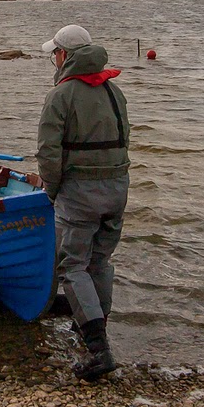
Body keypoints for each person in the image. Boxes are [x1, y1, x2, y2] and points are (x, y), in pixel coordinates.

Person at [36, 24, 130, 381]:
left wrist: (53, 191)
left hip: (80, 194)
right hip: (118, 188)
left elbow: (48, 154)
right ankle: (94, 326)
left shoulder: (60, 96)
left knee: (72, 265)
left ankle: (98, 351)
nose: (53, 61)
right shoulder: (114, 91)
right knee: (100, 260)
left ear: (64, 56)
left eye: (54, 54)